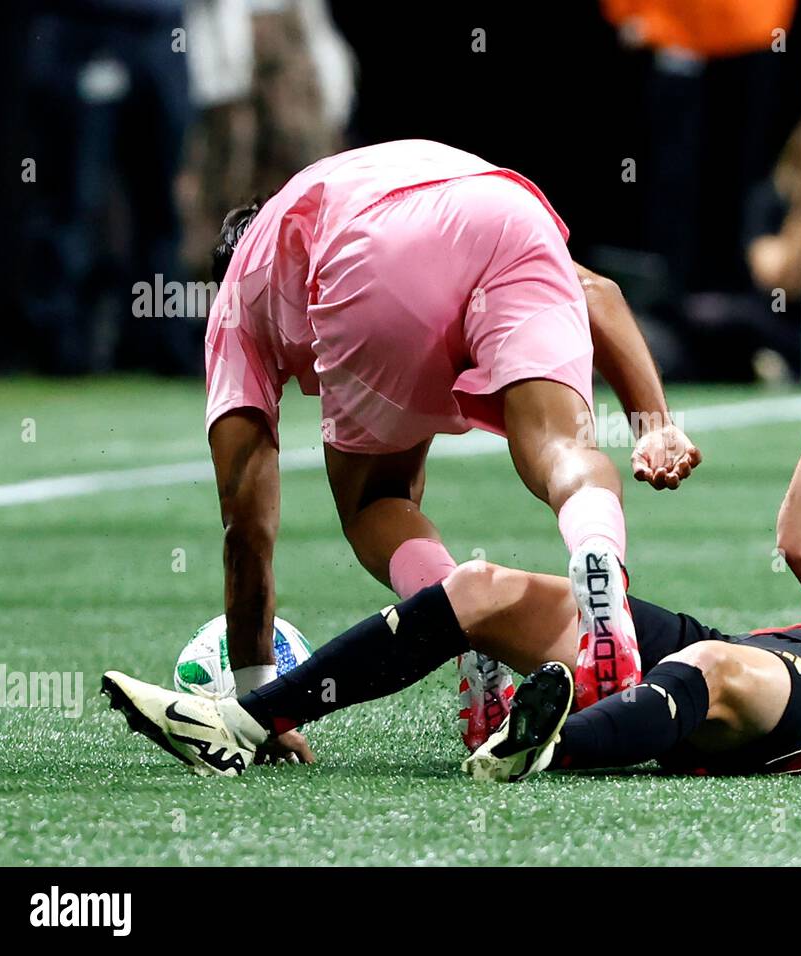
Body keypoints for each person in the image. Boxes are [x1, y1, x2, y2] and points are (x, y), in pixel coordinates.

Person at [100, 295, 801, 781]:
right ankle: (244, 721)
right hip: (773, 659)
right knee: (484, 588)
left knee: (715, 663)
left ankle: (551, 745)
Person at [202, 139, 701, 762]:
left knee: (375, 501)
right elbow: (598, 293)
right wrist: (652, 423)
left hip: (368, 256)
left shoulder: (236, 294)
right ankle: (599, 561)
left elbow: (245, 523)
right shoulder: (339, 181)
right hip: (507, 207)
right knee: (557, 446)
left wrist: (258, 699)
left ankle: (470, 630)